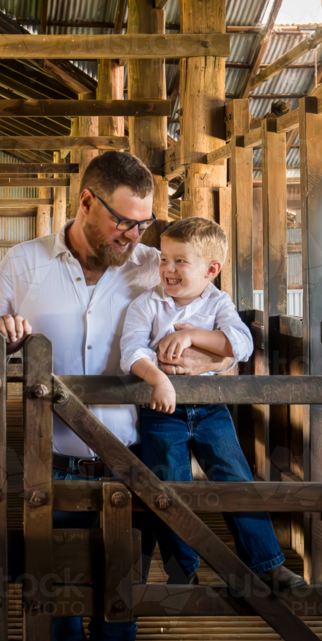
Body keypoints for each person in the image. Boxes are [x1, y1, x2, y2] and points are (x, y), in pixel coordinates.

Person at [0, 151, 233, 641]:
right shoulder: (24, 261)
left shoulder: (159, 268)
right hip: (47, 461)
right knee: (55, 601)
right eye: (124, 222)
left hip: (132, 458)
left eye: (144, 223)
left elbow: (226, 338)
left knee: (121, 596)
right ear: (87, 202)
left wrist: (207, 362)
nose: (135, 236)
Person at [120, 217, 306, 590]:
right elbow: (131, 350)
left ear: (211, 269)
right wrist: (157, 378)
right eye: (164, 259)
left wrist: (192, 335)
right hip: (161, 411)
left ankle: (267, 565)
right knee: (169, 488)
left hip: (211, 409)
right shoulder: (147, 304)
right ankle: (181, 570)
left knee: (235, 480)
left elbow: (241, 343)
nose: (168, 269)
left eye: (180, 261)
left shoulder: (218, 302)